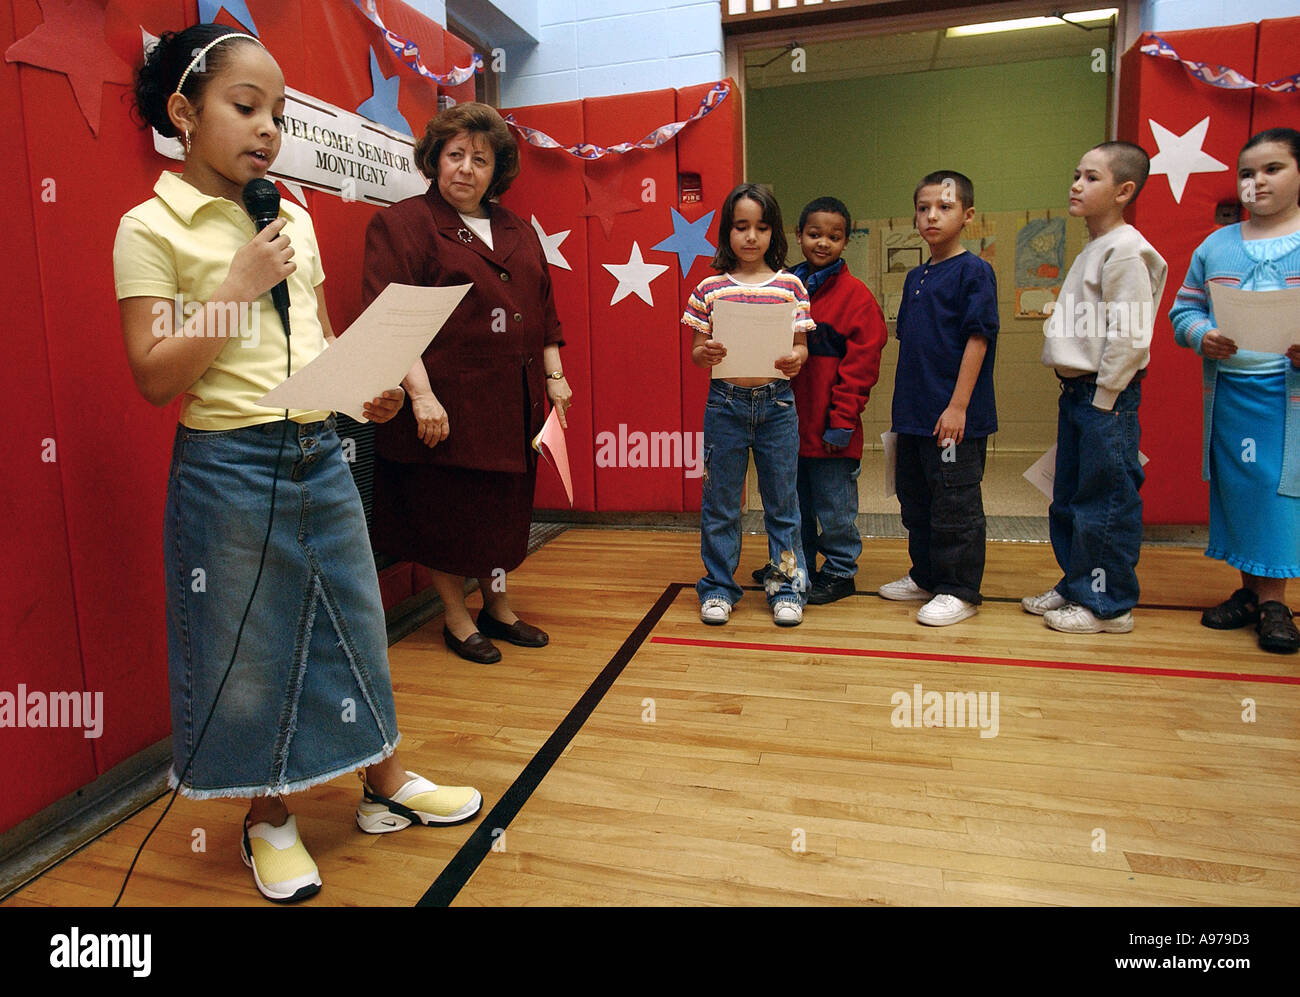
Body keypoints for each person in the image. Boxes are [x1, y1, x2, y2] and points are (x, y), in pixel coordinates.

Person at [114, 25, 481, 904]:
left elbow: (316, 337)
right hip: (230, 465)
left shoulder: (295, 216)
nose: (268, 127)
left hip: (321, 448)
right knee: (252, 649)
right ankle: (267, 817)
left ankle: (383, 783)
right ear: (183, 113)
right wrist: (236, 286)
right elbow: (155, 376)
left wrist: (371, 390)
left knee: (354, 617)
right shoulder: (148, 225)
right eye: (246, 107)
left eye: (277, 112)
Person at [363, 103, 570, 666]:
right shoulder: (402, 224)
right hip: (446, 402)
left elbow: (543, 306)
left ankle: (497, 608)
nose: (466, 169)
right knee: (449, 513)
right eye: (455, 155)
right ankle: (456, 619)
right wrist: (423, 395)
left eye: (481, 159)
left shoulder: (517, 228)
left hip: (515, 403)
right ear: (434, 159)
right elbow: (391, 317)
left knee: (501, 512)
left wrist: (554, 377)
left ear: (496, 169)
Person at [1022, 142, 1167, 635]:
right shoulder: (1096, 247)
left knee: (1105, 502)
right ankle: (1078, 582)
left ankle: (1108, 604)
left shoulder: (1125, 249)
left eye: (1091, 177)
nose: (1076, 184)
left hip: (1105, 399)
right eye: (1076, 174)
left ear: (1124, 191)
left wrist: (1105, 399)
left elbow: (1129, 335)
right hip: (1080, 396)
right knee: (1069, 498)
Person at [1170, 127, 1300, 654]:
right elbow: (1185, 310)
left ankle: (1276, 603)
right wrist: (1203, 336)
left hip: (1286, 401)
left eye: (1273, 169)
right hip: (1231, 395)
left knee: (1278, 493)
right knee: (1239, 490)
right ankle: (1250, 595)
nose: (1257, 181)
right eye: (1247, 172)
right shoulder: (1215, 245)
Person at [683, 183, 815, 626]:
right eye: (742, 227)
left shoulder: (790, 286)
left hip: (777, 405)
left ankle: (786, 587)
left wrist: (797, 359)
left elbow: (801, 347)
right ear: (727, 232)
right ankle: (719, 587)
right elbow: (698, 350)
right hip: (725, 404)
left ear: (773, 232)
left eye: (761, 227)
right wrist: (707, 354)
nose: (751, 237)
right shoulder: (710, 287)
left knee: (782, 501)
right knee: (720, 502)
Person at [751, 196, 886, 604]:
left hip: (831, 430)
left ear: (846, 241)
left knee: (835, 509)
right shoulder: (783, 287)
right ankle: (798, 564)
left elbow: (861, 369)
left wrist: (842, 421)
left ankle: (841, 571)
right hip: (787, 425)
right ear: (798, 235)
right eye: (814, 234)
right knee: (794, 504)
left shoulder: (856, 297)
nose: (823, 243)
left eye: (834, 236)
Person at [879, 171, 998, 626]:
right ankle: (926, 576)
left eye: (945, 207)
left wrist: (958, 406)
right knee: (917, 500)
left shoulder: (974, 271)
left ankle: (960, 589)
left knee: (955, 505)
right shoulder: (915, 277)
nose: (932, 216)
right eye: (924, 207)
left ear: (967, 215)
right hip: (913, 416)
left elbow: (978, 339)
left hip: (953, 418)